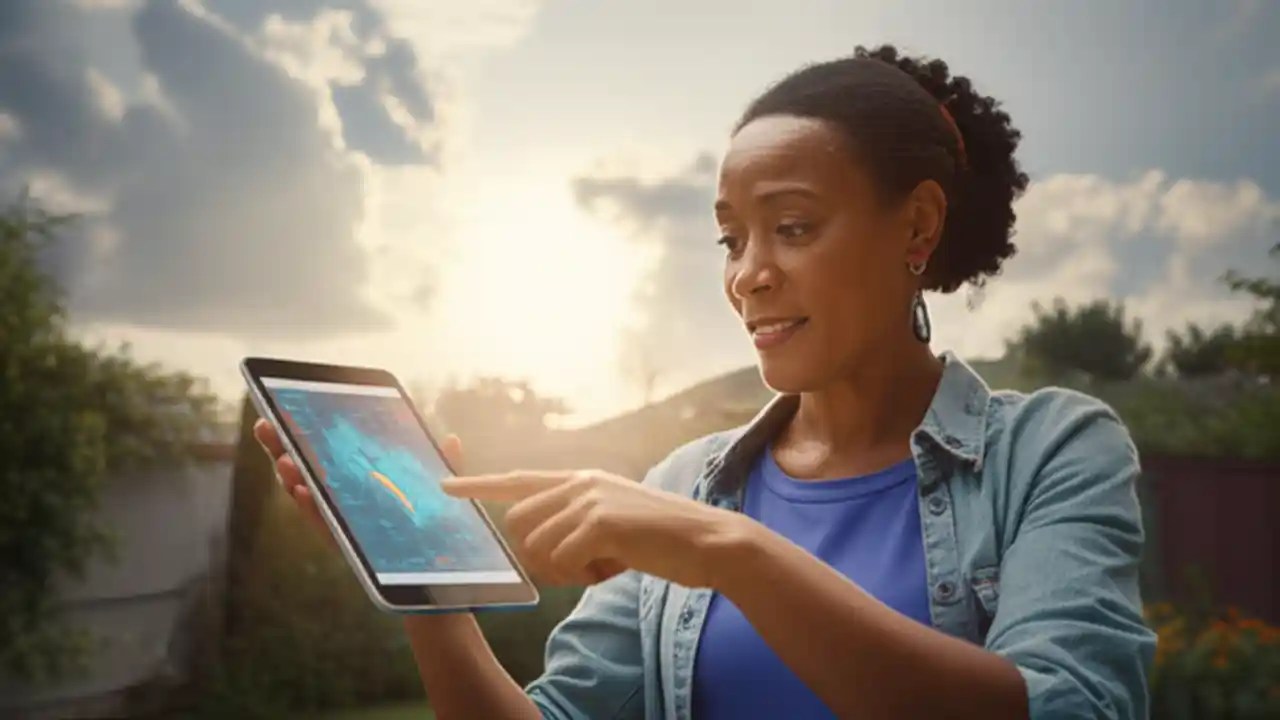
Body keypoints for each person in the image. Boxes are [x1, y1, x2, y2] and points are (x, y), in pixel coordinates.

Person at [256, 44, 1155, 719]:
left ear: (916, 226)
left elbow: (1064, 706)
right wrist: (426, 586)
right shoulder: (684, 486)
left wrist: (730, 550)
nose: (747, 275)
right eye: (731, 238)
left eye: (792, 226)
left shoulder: (1052, 451)